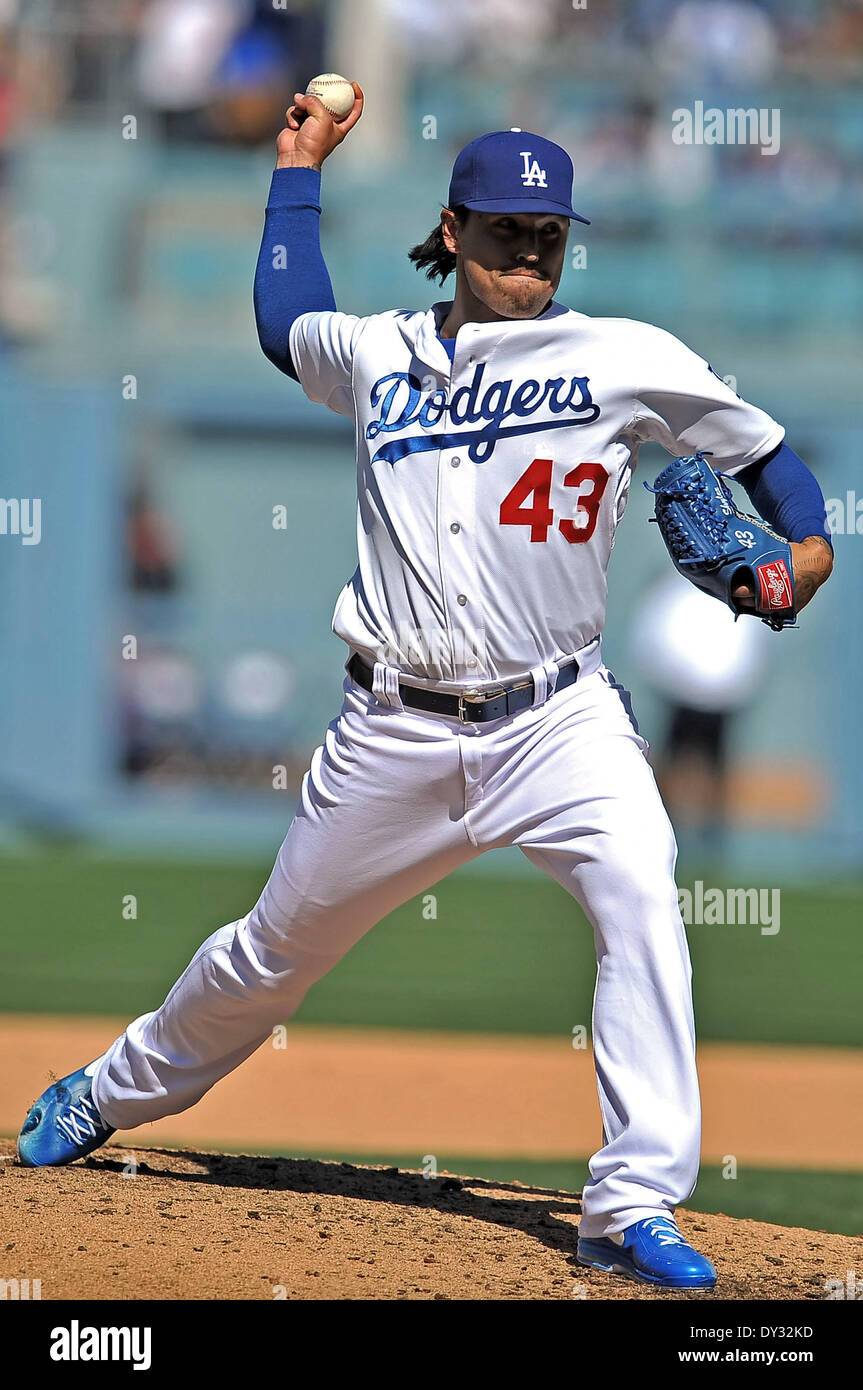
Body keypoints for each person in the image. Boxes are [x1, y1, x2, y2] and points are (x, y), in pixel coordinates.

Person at [18, 85, 833, 1291]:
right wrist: (293, 168)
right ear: (451, 230)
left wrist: (801, 555)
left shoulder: (622, 357)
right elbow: (283, 320)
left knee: (642, 904)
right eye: (504, 229)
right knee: (267, 959)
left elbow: (765, 459)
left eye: (547, 233)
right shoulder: (379, 352)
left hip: (559, 720)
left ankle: (630, 1203)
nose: (528, 250)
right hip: (391, 729)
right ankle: (106, 1091)